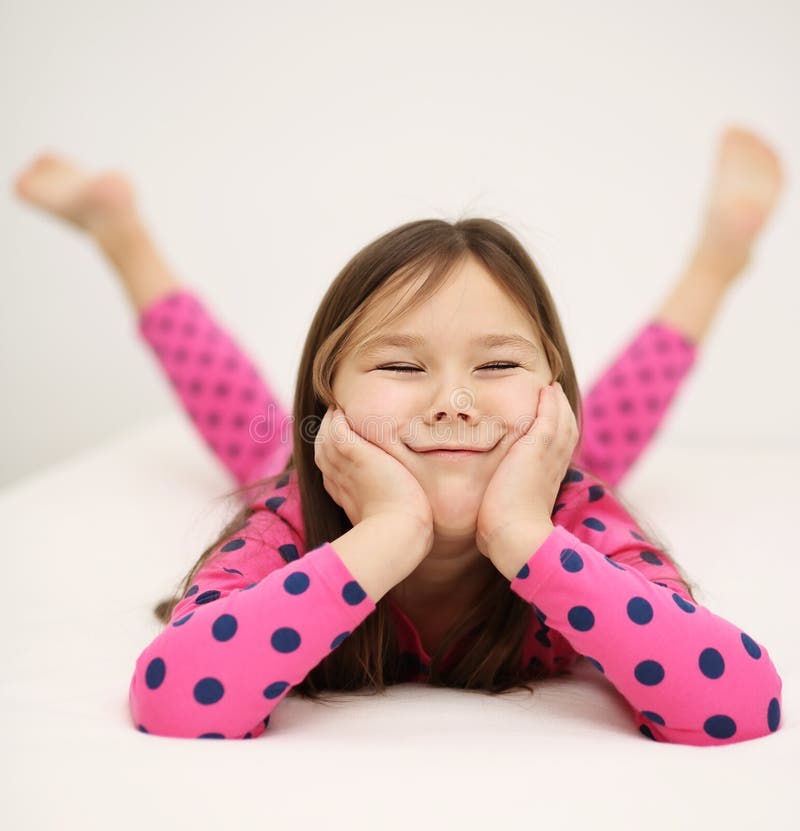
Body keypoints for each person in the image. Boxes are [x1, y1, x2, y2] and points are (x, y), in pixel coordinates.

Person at [13, 126, 784, 745]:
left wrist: (523, 532)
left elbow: (743, 703)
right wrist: (386, 533)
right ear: (333, 404)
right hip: (330, 480)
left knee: (607, 443)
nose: (453, 400)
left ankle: (718, 257)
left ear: (552, 390)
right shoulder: (288, 520)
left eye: (499, 362)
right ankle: (123, 236)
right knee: (250, 430)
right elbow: (176, 700)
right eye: (401, 363)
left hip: (540, 478)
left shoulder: (576, 512)